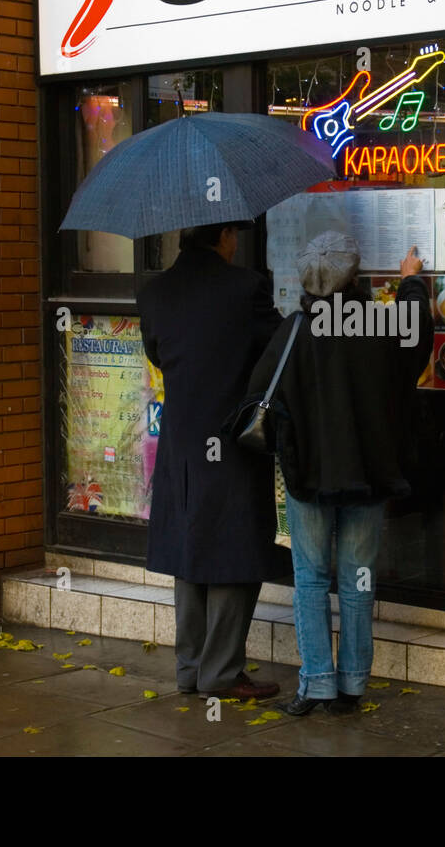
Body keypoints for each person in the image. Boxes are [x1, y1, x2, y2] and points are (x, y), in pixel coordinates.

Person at [247, 232, 433, 716]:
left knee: (309, 580)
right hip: (369, 474)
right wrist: (412, 282)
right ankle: (352, 684)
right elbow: (418, 339)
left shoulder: (291, 332)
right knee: (358, 578)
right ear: (356, 280)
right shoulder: (378, 327)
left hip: (308, 475)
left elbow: (260, 399)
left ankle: (317, 684)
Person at [137, 221, 286, 701]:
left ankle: (191, 667)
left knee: (190, 547)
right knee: (235, 549)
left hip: (181, 439)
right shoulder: (246, 288)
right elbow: (278, 349)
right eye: (233, 235)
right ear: (223, 236)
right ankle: (221, 672)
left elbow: (159, 356)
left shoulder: (155, 291)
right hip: (232, 438)